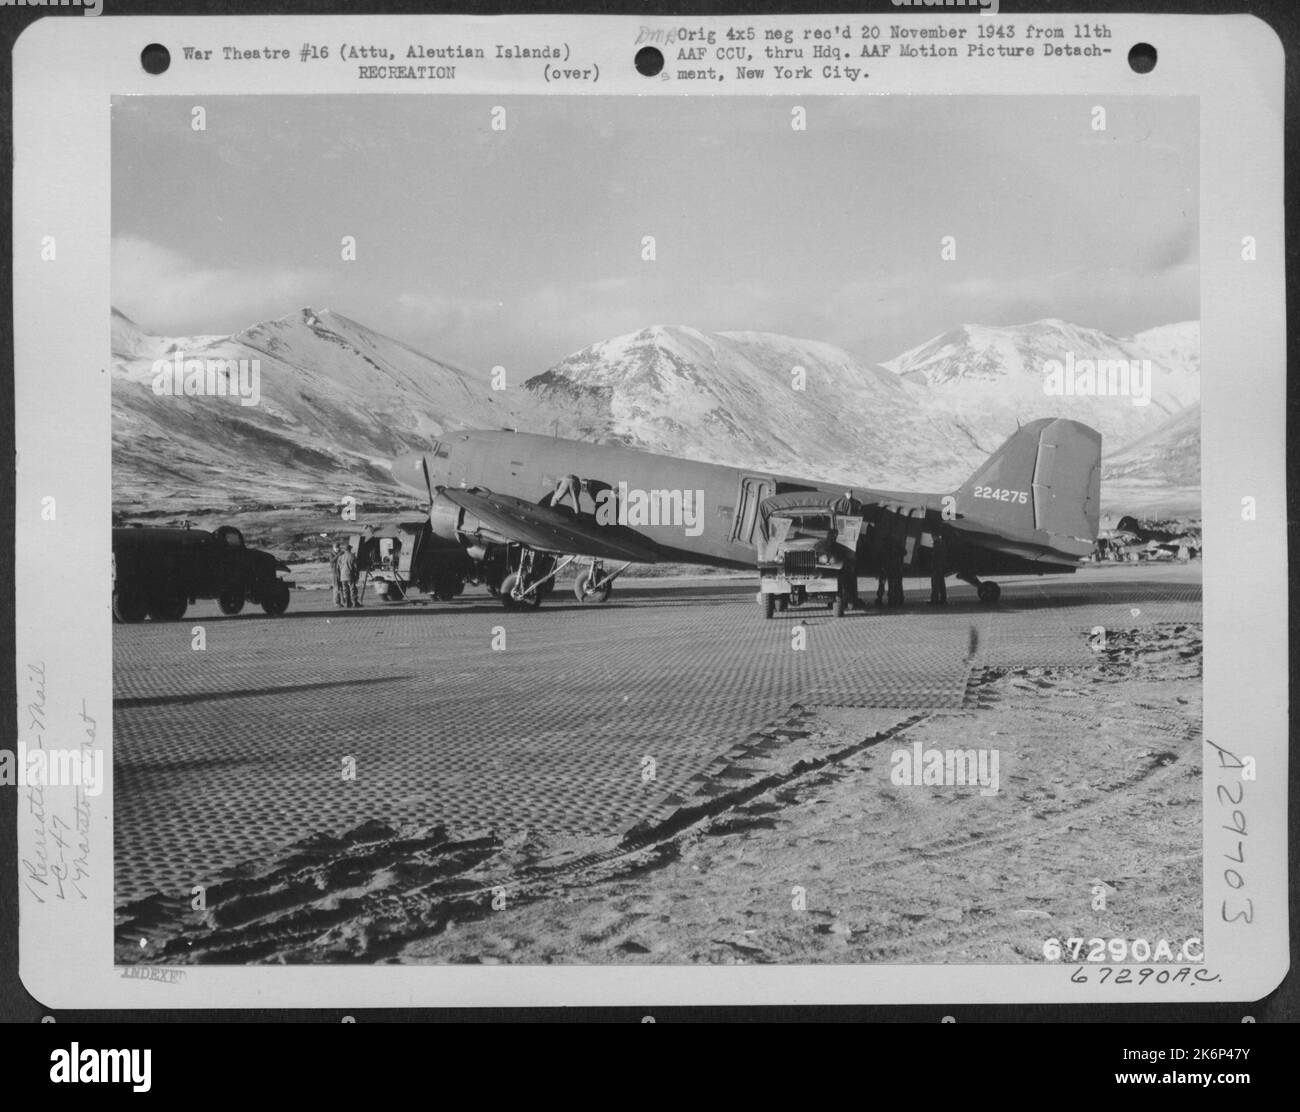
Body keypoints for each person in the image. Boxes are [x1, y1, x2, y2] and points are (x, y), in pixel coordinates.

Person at [929, 530, 948, 606]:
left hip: (936, 566)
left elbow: (935, 556)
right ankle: (943, 599)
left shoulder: (937, 545)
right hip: (941, 566)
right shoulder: (942, 544)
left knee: (935, 584)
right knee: (941, 584)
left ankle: (934, 600)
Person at [338, 542, 360, 608]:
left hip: (342, 576)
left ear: (345, 549)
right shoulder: (352, 556)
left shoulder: (340, 557)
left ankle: (347, 603)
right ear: (350, 549)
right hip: (350, 575)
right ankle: (354, 603)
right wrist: (357, 575)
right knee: (352, 589)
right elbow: (356, 567)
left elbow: (338, 567)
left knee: (345, 590)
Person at [330, 543, 345, 607]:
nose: (337, 549)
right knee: (336, 588)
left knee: (342, 588)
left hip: (341, 573)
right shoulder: (331, 554)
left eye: (338, 547)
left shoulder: (340, 553)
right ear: (333, 548)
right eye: (336, 547)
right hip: (335, 574)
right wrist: (339, 555)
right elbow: (332, 561)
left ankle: (343, 601)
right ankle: (336, 602)